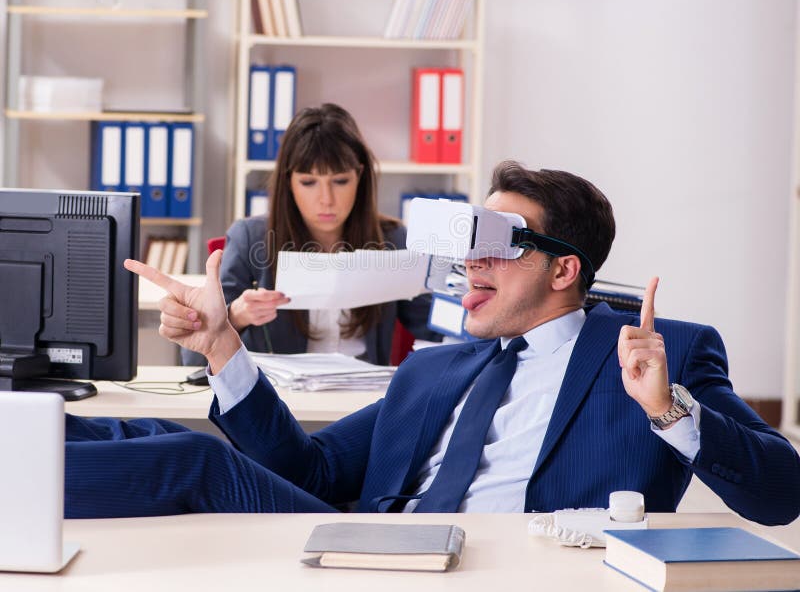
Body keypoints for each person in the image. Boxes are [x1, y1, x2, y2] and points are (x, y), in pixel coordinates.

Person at [65, 162, 800, 524]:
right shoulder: (433, 369)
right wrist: (224, 344)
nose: (469, 264)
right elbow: (312, 472)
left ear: (564, 268)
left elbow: (780, 492)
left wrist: (669, 409)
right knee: (140, 428)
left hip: (504, 563)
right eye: (468, 243)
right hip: (387, 552)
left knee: (192, 459)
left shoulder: (657, 353)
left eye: (497, 245)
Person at [182, 102, 437, 366]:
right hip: (282, 400)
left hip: (365, 397)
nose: (326, 199)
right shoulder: (251, 239)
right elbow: (192, 359)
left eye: (340, 181)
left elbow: (437, 330)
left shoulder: (392, 240)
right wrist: (236, 315)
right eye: (308, 182)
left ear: (359, 176)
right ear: (288, 180)